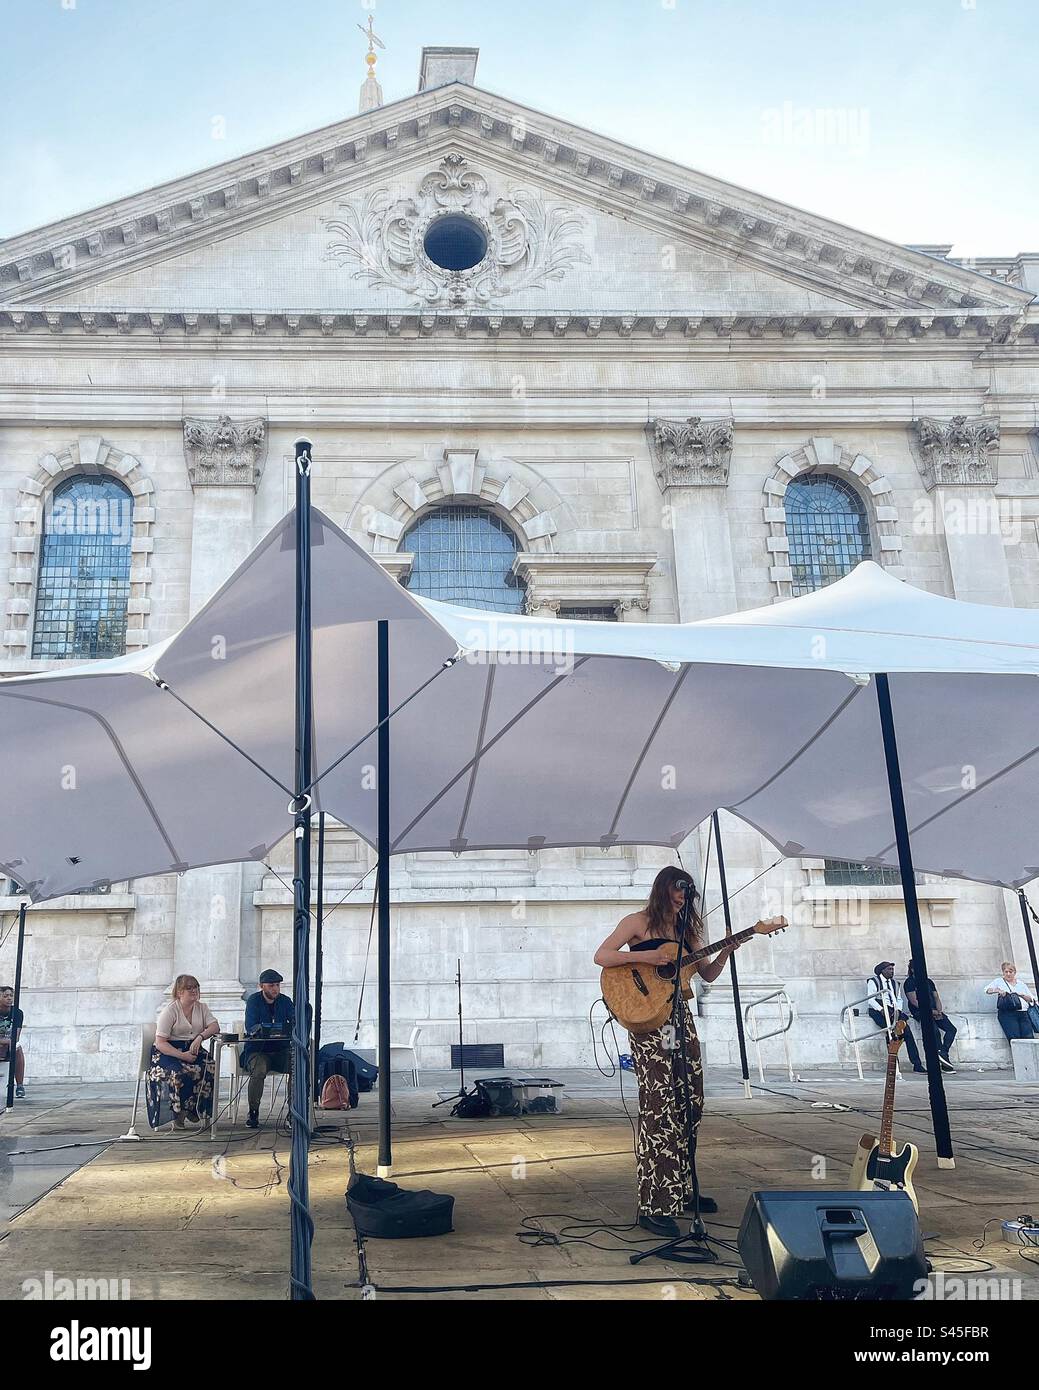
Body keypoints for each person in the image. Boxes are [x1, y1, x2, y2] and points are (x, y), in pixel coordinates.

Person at [594, 864, 739, 1239]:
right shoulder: (637, 922)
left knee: (690, 1099)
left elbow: (706, 975)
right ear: (663, 891)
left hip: (679, 1020)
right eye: (677, 893)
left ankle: (682, 1189)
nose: (682, 900)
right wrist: (645, 958)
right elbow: (603, 956)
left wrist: (726, 951)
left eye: (687, 895)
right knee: (659, 1105)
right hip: (648, 1021)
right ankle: (654, 1203)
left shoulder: (687, 931)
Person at [146, 975, 220, 1130]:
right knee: (179, 1071)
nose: (194, 990)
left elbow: (214, 1027)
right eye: (189, 988)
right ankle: (179, 1113)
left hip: (191, 1047)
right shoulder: (171, 1011)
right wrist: (182, 1055)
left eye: (196, 987)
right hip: (168, 1051)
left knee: (209, 1065)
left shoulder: (202, 1008)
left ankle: (195, 1109)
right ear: (179, 992)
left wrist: (200, 1037)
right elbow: (160, 1043)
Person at [242, 968, 295, 1129]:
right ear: (261, 986)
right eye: (271, 985)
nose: (275, 989)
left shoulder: (285, 1001)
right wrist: (265, 1029)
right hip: (258, 1051)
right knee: (258, 1070)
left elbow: (295, 1023)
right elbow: (250, 1027)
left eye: (277, 985)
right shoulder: (253, 1001)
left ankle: (294, 1112)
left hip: (280, 1051)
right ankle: (253, 1112)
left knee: (297, 1067)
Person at [865, 961, 925, 1072]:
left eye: (892, 969)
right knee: (890, 1032)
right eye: (889, 969)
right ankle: (893, 1065)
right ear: (882, 970)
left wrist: (898, 1010)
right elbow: (871, 1000)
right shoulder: (874, 981)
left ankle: (917, 1064)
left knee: (907, 1032)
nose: (892, 971)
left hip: (894, 1011)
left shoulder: (895, 983)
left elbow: (899, 999)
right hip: (879, 1010)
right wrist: (881, 1009)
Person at [903, 961, 956, 1072]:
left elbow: (936, 997)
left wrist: (939, 1010)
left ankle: (943, 1052)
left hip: (935, 1011)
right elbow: (914, 1001)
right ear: (912, 969)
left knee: (951, 1029)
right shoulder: (909, 982)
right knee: (934, 1031)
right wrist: (931, 1011)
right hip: (920, 1012)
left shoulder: (929, 981)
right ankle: (944, 1061)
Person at [986, 961, 1039, 1041]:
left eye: (1010, 972)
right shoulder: (999, 981)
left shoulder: (1021, 984)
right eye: (1006, 972)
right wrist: (998, 990)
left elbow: (1031, 999)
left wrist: (1021, 995)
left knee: (1029, 1038)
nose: (1008, 974)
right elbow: (987, 990)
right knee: (1015, 1038)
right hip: (1008, 1014)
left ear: (1014, 972)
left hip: (1023, 1013)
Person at [0, 985, 25, 1098]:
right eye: (5, 996)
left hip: (8, 1043)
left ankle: (19, 1085)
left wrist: (8, 1042)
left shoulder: (17, 1013)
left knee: (18, 1048)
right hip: (3, 1042)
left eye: (11, 996)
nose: (9, 998)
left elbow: (16, 1036)